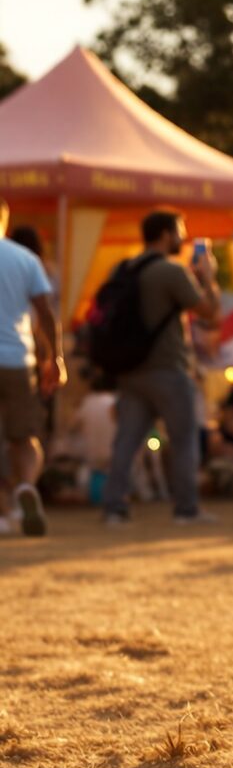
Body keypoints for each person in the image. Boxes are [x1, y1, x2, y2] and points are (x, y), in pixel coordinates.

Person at [103, 210, 219, 527]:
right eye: (179, 231)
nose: (181, 239)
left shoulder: (124, 267)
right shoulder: (171, 271)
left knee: (126, 441)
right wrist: (208, 276)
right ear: (166, 234)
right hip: (168, 369)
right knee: (183, 440)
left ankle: (114, 508)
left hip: (130, 369)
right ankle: (187, 509)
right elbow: (210, 314)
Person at [0, 202, 63, 535]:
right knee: (23, 438)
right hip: (16, 359)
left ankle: (3, 510)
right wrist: (55, 359)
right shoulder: (26, 259)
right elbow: (46, 313)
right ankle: (26, 486)